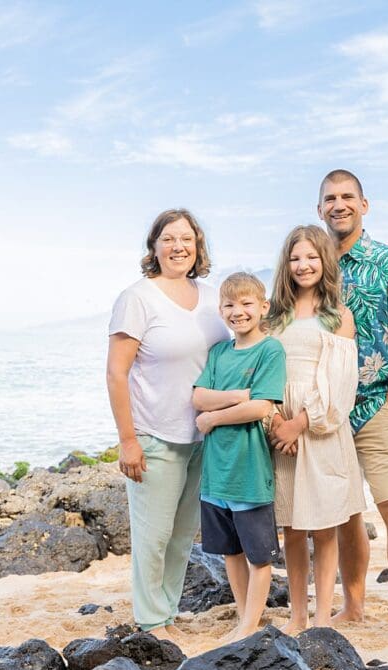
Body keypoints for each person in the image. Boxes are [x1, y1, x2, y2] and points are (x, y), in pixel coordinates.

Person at [317, 169, 388, 646]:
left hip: (376, 407)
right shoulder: (310, 265)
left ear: (365, 205)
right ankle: (354, 605)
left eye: (348, 197)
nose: (338, 204)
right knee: (344, 515)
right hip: (326, 413)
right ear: (319, 208)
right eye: (330, 198)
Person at [106, 208, 229, 642]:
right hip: (154, 434)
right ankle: (151, 621)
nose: (179, 247)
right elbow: (116, 373)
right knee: (153, 537)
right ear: (153, 247)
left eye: (187, 239)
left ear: (198, 247)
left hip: (204, 435)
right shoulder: (138, 298)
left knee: (181, 538)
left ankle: (168, 614)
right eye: (169, 239)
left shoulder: (214, 296)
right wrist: (127, 440)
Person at [264, 226, 366, 634]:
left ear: (324, 262)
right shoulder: (273, 314)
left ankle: (323, 615)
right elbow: (259, 368)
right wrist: (274, 420)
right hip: (279, 429)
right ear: (285, 265)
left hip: (318, 426)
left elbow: (339, 382)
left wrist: (300, 423)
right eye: (295, 258)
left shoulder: (338, 317)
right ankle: (297, 615)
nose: (303, 265)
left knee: (325, 525)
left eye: (311, 257)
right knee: (292, 526)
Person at [192, 272, 286, 643]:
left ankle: (250, 623)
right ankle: (244, 615)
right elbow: (198, 397)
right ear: (221, 311)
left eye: (247, 304)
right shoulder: (219, 353)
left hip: (248, 472)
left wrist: (214, 416)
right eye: (229, 305)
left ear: (263, 308)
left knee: (258, 556)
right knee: (230, 551)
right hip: (216, 475)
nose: (238, 311)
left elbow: (262, 406)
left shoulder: (270, 350)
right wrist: (237, 396)